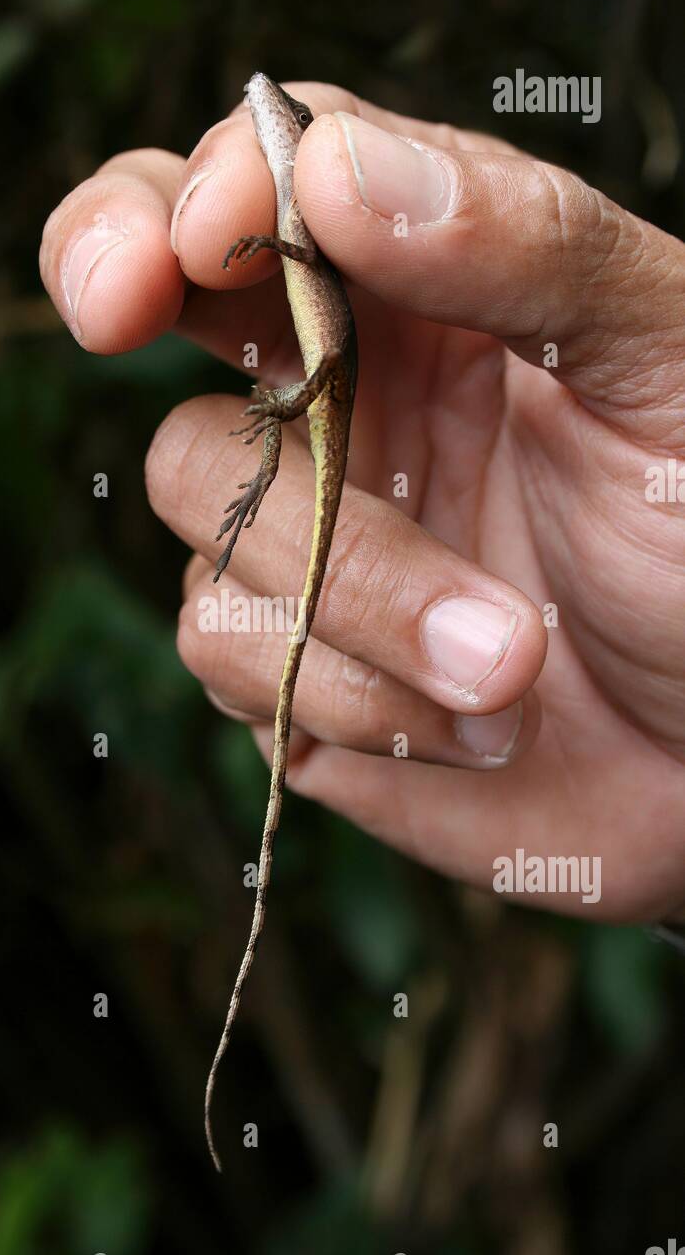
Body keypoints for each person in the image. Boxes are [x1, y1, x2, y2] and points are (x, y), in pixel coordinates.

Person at [40, 81, 685, 925]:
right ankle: (262, 479)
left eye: (291, 119)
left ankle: (262, 474)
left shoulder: (313, 215)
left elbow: (308, 262)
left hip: (329, 360)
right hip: (326, 366)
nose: (273, 110)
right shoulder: (293, 218)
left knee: (297, 494)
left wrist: (272, 241)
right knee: (297, 521)